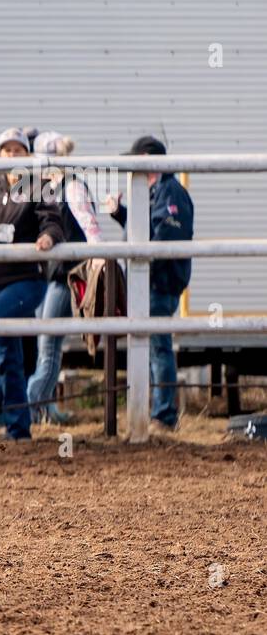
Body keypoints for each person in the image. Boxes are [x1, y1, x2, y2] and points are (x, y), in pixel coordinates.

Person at [0, 128, 64, 440]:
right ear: (0, 156)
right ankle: (19, 428)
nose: (12, 156)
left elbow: (53, 220)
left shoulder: (38, 187)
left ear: (27, 156)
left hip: (25, 278)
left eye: (18, 151)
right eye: (7, 151)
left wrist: (47, 237)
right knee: (11, 354)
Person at [104, 135, 194, 432]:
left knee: (157, 347)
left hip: (158, 281)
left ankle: (164, 414)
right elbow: (150, 228)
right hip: (153, 280)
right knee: (154, 345)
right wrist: (121, 214)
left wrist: (145, 262)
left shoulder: (168, 192)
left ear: (146, 158)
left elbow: (165, 235)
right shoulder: (160, 190)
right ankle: (159, 412)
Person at [25, 132, 103, 424]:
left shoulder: (71, 188)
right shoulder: (53, 189)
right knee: (50, 345)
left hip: (63, 275)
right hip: (54, 274)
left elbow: (90, 228)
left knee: (48, 345)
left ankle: (28, 407)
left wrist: (97, 263)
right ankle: (41, 408)